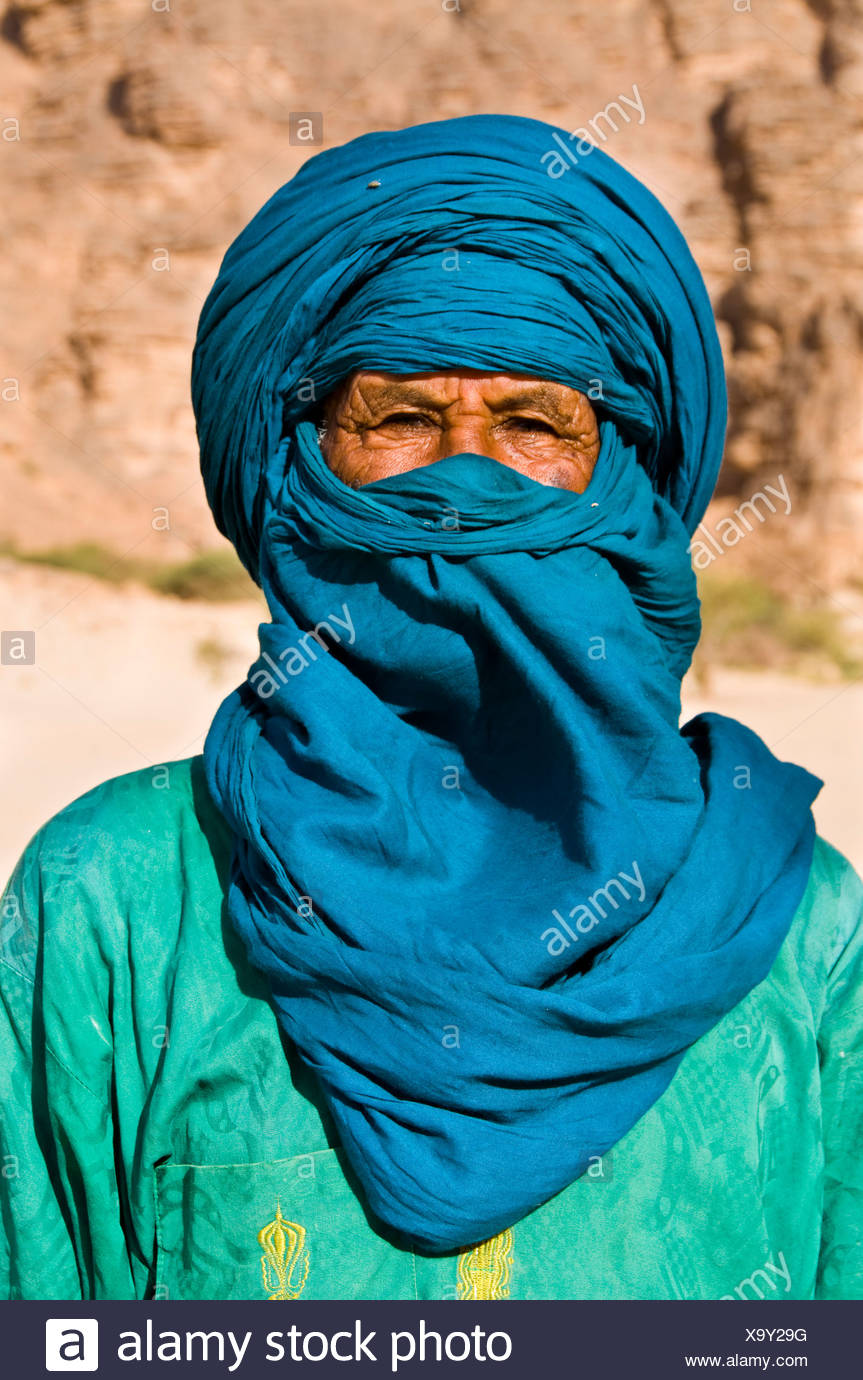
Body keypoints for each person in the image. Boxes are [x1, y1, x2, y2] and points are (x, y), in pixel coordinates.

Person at [1, 114, 861, 1302]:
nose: (462, 483)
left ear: (623, 479)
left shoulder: (795, 925)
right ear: (297, 468)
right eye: (399, 419)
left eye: (531, 426)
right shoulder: (115, 898)